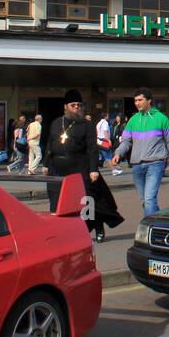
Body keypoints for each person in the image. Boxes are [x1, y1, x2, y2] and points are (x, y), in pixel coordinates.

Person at [48, 89, 123, 241]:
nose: (76, 107)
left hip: (80, 166)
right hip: (58, 167)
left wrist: (93, 169)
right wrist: (45, 164)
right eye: (73, 105)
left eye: (79, 105)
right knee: (58, 200)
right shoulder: (56, 123)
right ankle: (62, 231)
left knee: (87, 200)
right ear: (66, 107)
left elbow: (92, 149)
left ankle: (96, 226)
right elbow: (49, 145)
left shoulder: (87, 125)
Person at [113, 88, 169, 217]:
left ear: (149, 101)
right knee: (145, 201)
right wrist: (118, 153)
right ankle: (159, 222)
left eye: (140, 100)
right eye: (135, 100)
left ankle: (150, 230)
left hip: (155, 164)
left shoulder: (162, 119)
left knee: (149, 200)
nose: (137, 103)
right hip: (137, 165)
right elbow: (126, 141)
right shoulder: (132, 120)